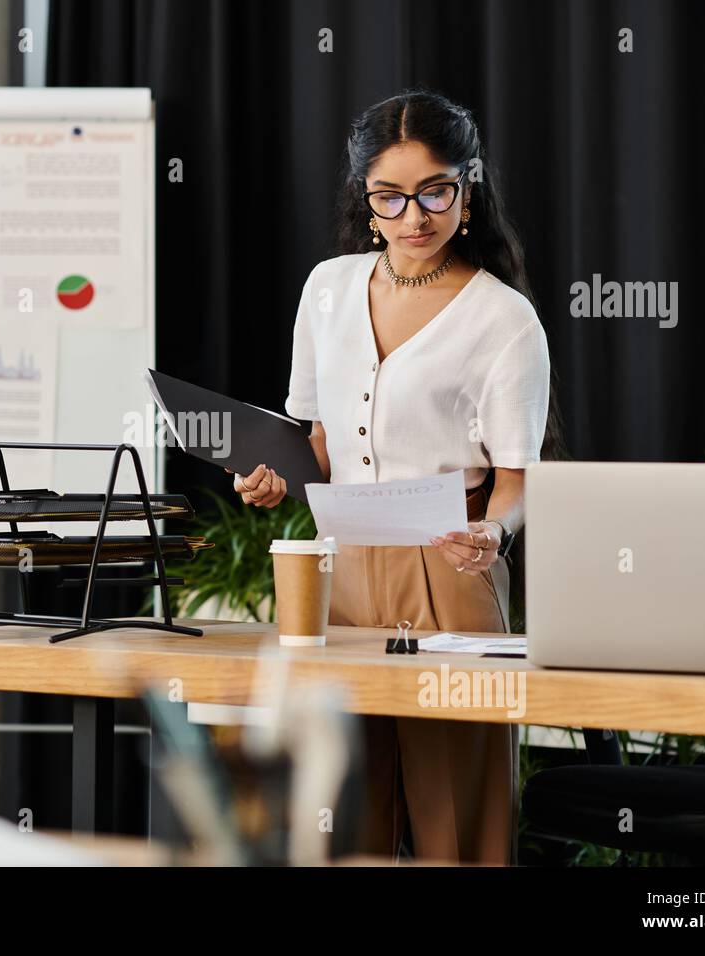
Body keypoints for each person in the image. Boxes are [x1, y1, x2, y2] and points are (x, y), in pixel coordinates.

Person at [231, 90, 555, 864]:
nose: (417, 215)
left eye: (436, 190)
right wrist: (274, 478)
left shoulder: (502, 320)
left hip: (448, 566)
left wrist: (493, 530)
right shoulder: (327, 289)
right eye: (391, 196)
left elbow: (519, 479)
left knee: (458, 827)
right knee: (340, 816)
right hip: (336, 572)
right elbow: (314, 437)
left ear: (467, 190)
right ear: (364, 199)